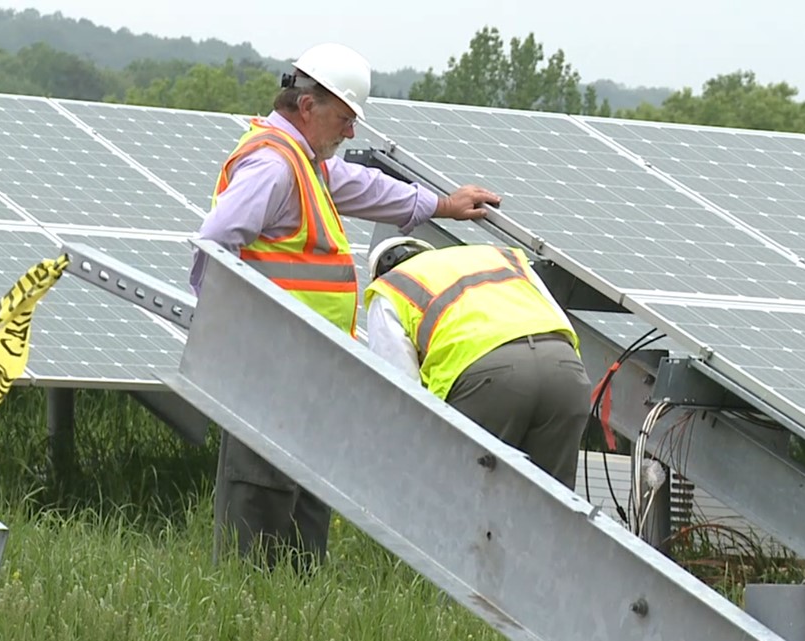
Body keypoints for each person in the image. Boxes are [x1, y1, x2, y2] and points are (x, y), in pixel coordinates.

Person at [187, 42, 502, 573]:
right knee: (262, 487)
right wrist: (220, 329)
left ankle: (291, 598)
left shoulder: (306, 164)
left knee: (306, 487)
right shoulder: (272, 164)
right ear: (307, 107)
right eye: (345, 118)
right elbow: (214, 242)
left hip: (307, 365)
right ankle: (248, 598)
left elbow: (367, 187)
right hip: (272, 363)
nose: (351, 133)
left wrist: (443, 205)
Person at [363, 236, 592, 490]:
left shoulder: (391, 287)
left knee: (463, 498)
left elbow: (402, 390)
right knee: (552, 507)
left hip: (488, 380)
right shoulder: (500, 258)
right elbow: (558, 319)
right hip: (565, 373)